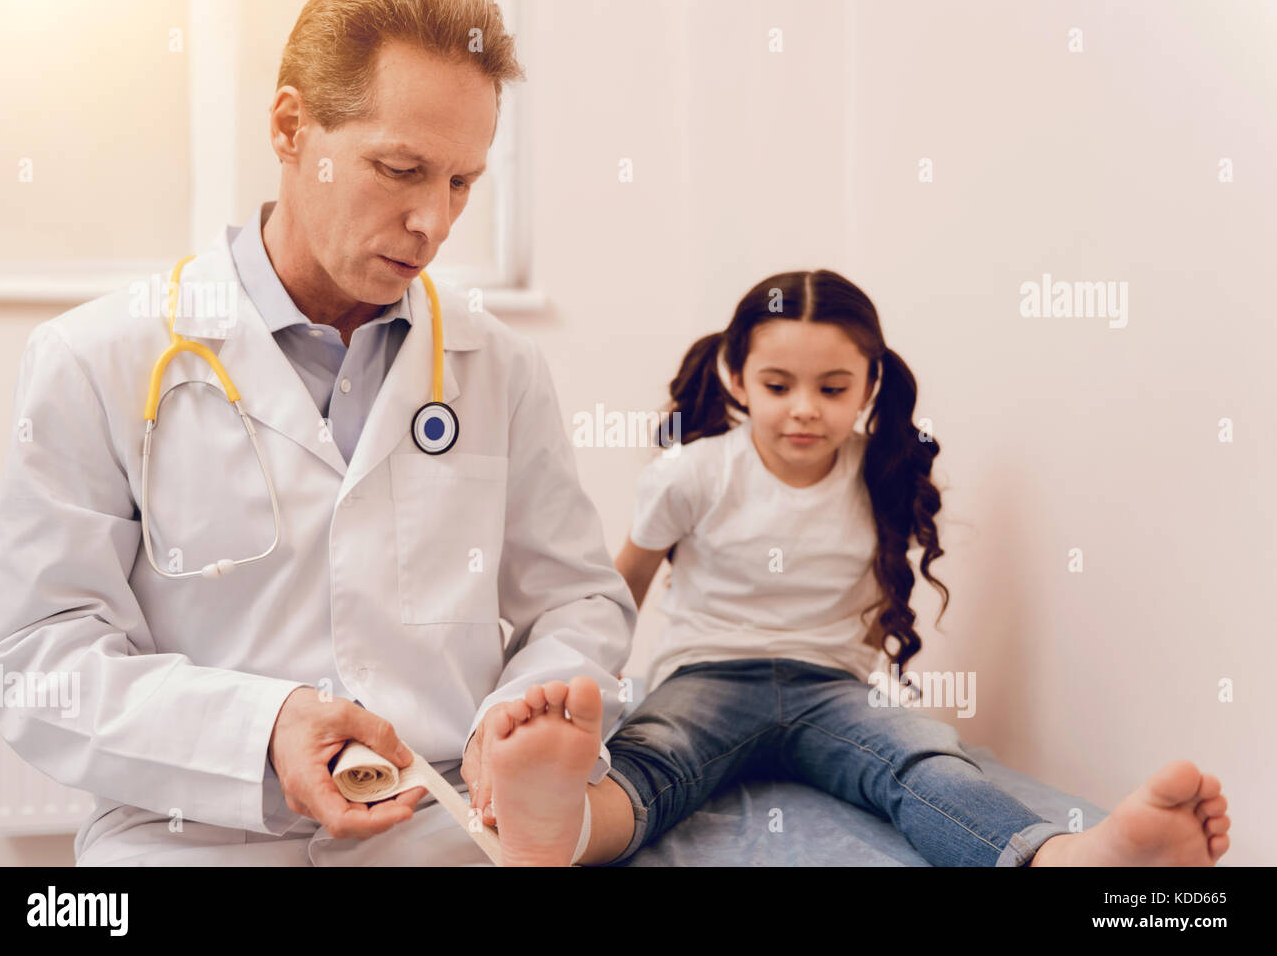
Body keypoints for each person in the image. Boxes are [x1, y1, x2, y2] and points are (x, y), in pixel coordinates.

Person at [0, 0, 635, 866]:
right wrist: (263, 727)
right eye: (400, 168)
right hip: (193, 834)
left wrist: (512, 716)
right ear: (292, 127)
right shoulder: (94, 357)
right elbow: (34, 656)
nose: (433, 222)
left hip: (438, 824)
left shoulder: (499, 368)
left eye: (461, 182)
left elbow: (577, 601)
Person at [477, 269, 1233, 867]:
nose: (805, 408)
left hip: (830, 687)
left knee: (921, 758)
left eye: (832, 388)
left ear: (869, 386)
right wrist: (603, 686)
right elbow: (625, 581)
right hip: (709, 672)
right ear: (737, 379)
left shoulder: (883, 471)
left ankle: (1062, 854)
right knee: (656, 755)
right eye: (779, 385)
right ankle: (563, 827)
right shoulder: (694, 473)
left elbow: (874, 598)